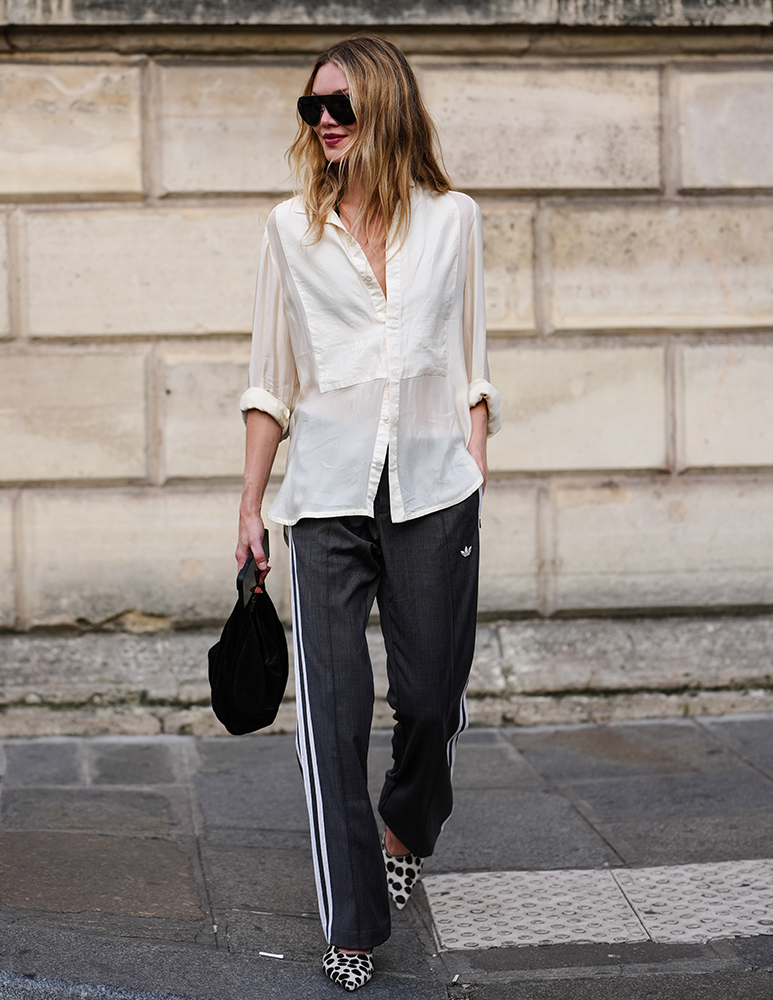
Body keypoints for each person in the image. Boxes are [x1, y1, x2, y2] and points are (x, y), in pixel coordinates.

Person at [236, 34, 501, 992]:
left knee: (431, 698)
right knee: (332, 716)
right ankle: (352, 919)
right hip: (327, 499)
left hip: (435, 489)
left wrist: (477, 466)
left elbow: (471, 362)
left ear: (383, 106)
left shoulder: (455, 220)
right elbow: (270, 382)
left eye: (340, 104)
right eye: (313, 108)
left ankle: (407, 822)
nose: (325, 121)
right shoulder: (287, 230)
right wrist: (251, 504)